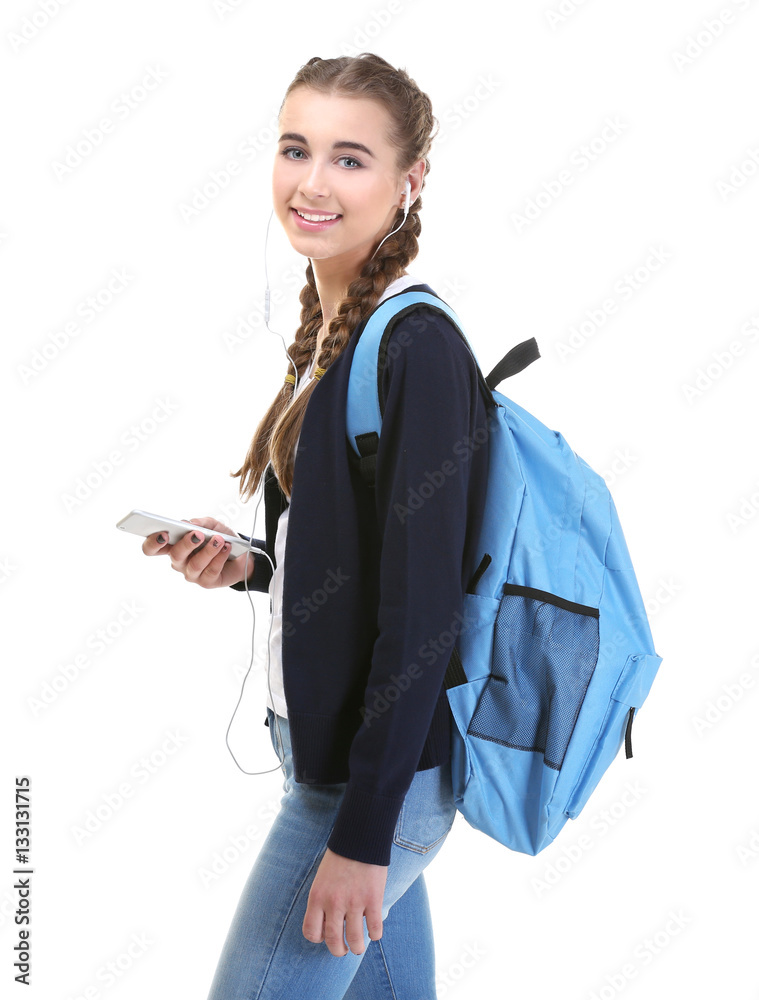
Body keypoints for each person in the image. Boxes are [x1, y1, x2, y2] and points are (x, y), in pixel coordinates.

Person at [141, 52, 493, 998]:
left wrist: (363, 834)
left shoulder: (416, 348)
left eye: (349, 158)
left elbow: (424, 614)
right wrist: (249, 566)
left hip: (368, 787)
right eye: (297, 148)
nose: (310, 181)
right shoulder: (336, 338)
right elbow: (360, 559)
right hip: (335, 767)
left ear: (409, 180)